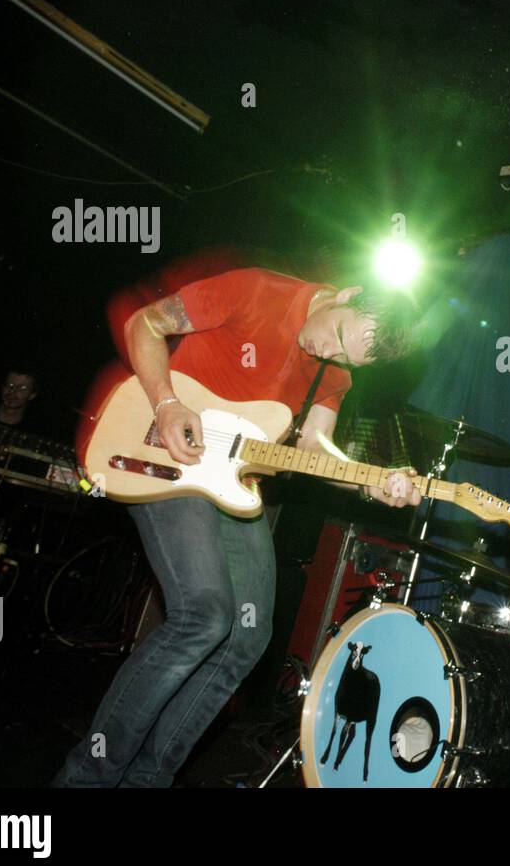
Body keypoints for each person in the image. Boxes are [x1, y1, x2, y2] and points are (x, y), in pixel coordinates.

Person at [54, 267, 423, 787]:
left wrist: (372, 481)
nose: (328, 353)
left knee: (248, 636)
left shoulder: (333, 375)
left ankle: (146, 781)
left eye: (345, 357)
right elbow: (146, 323)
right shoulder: (258, 290)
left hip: (229, 485)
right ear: (349, 293)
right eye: (339, 335)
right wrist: (166, 403)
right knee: (204, 617)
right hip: (160, 454)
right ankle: (86, 779)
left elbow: (315, 449)